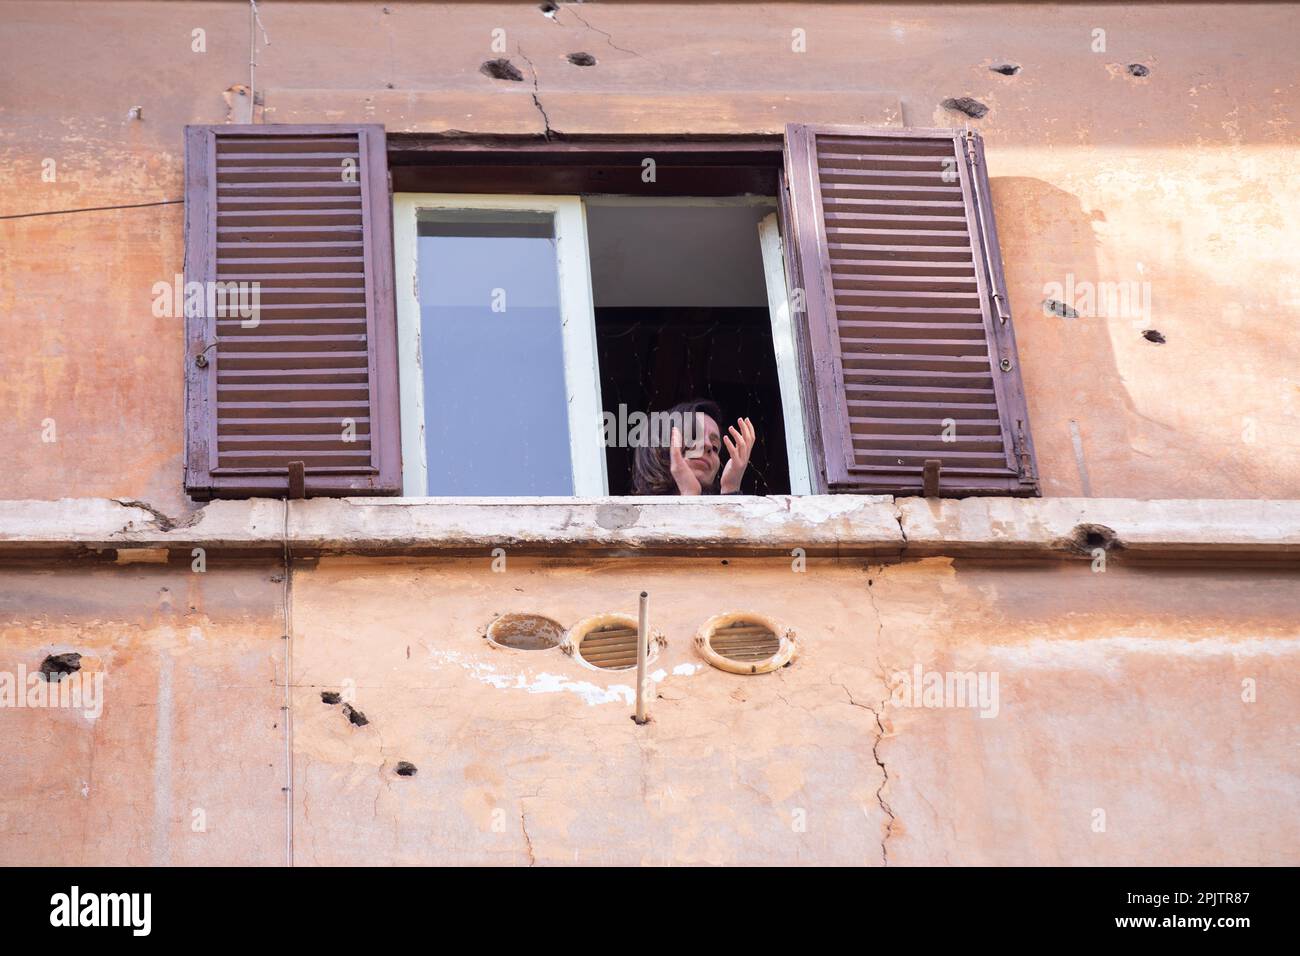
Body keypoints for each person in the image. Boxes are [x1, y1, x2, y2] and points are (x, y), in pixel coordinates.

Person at [630, 398, 757, 496]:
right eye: (693, 436)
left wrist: (731, 488)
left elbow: (729, 530)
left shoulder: (715, 515)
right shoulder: (634, 517)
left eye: (715, 447)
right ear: (658, 447)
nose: (708, 445)